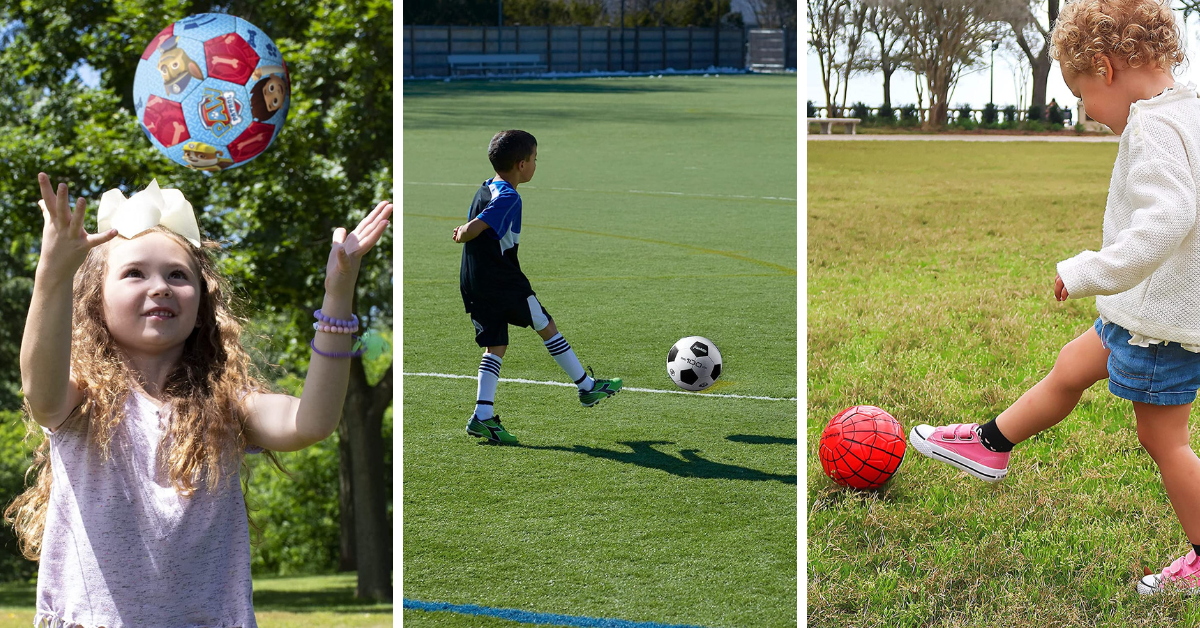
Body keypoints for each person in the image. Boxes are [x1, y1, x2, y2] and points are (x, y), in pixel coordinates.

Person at [8, 173, 391, 626]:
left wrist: (338, 295)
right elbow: (41, 390)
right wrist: (53, 272)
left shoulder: (225, 403)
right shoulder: (79, 398)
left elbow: (311, 422)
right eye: (134, 273)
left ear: (202, 303)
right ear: (95, 298)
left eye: (177, 275)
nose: (160, 287)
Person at [909, 0, 1200, 594]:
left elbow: (1169, 218)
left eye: (1080, 93)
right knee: (1073, 364)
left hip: (1161, 320)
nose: (1086, 112)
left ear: (1105, 66)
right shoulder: (1188, 105)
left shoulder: (1154, 126)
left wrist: (1093, 269)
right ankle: (991, 443)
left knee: (1163, 440)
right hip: (1149, 308)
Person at [453, 130, 621, 444]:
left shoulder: (486, 186)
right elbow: (471, 230)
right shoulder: (507, 196)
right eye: (534, 159)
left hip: (474, 278)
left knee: (496, 345)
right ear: (520, 164)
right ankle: (587, 387)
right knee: (544, 323)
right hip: (502, 280)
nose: (535, 164)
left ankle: (483, 417)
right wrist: (464, 231)